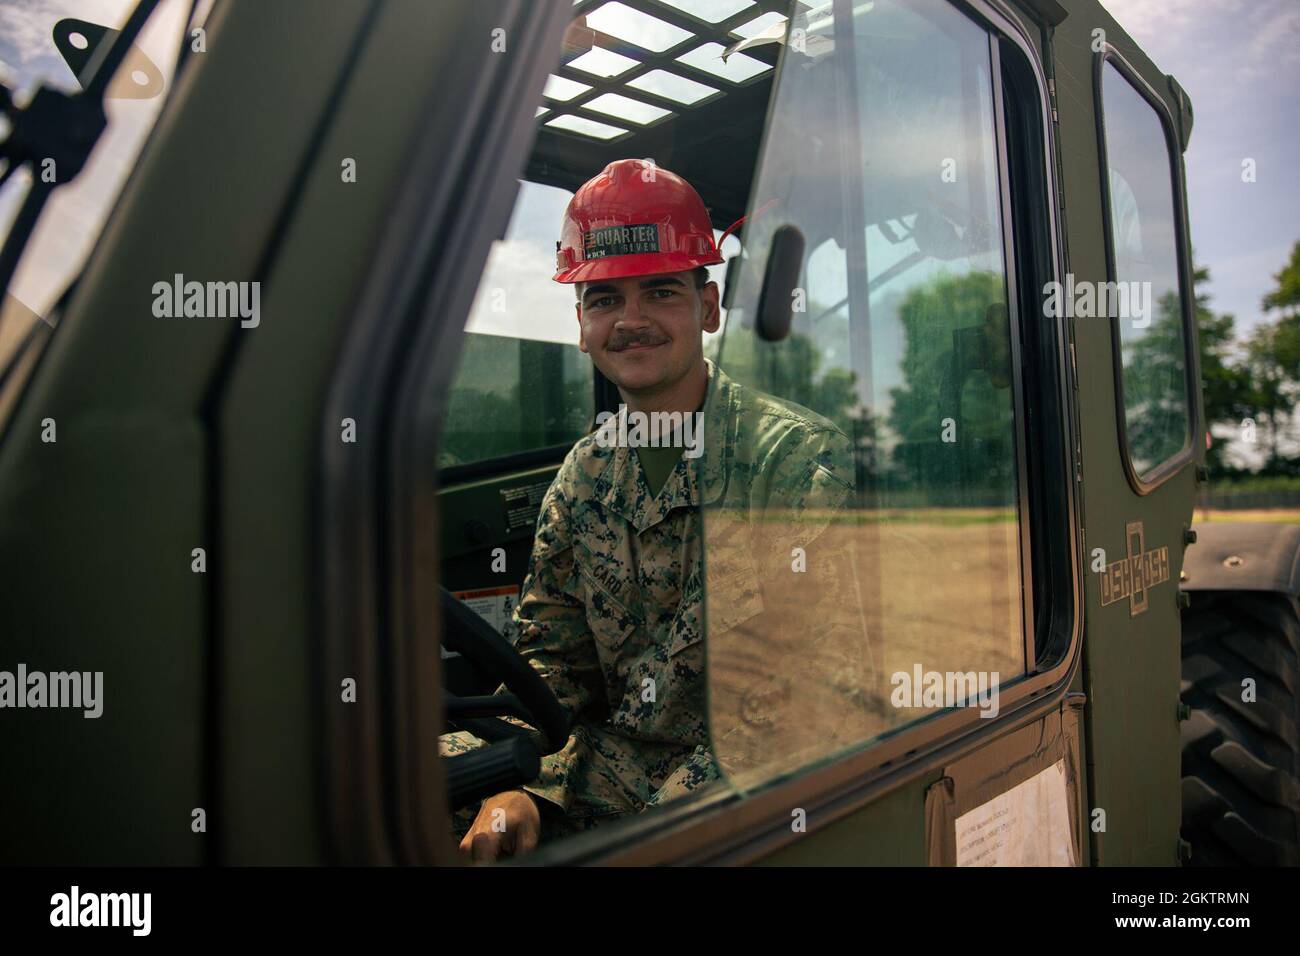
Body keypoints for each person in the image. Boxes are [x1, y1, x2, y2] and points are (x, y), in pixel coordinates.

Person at [441, 159, 877, 862]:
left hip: (744, 800)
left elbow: (815, 704)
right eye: (605, 299)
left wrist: (657, 831)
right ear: (581, 323)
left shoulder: (790, 463)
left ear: (706, 308)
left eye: (661, 292)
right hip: (605, 778)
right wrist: (516, 789)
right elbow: (552, 666)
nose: (632, 320)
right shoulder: (583, 477)